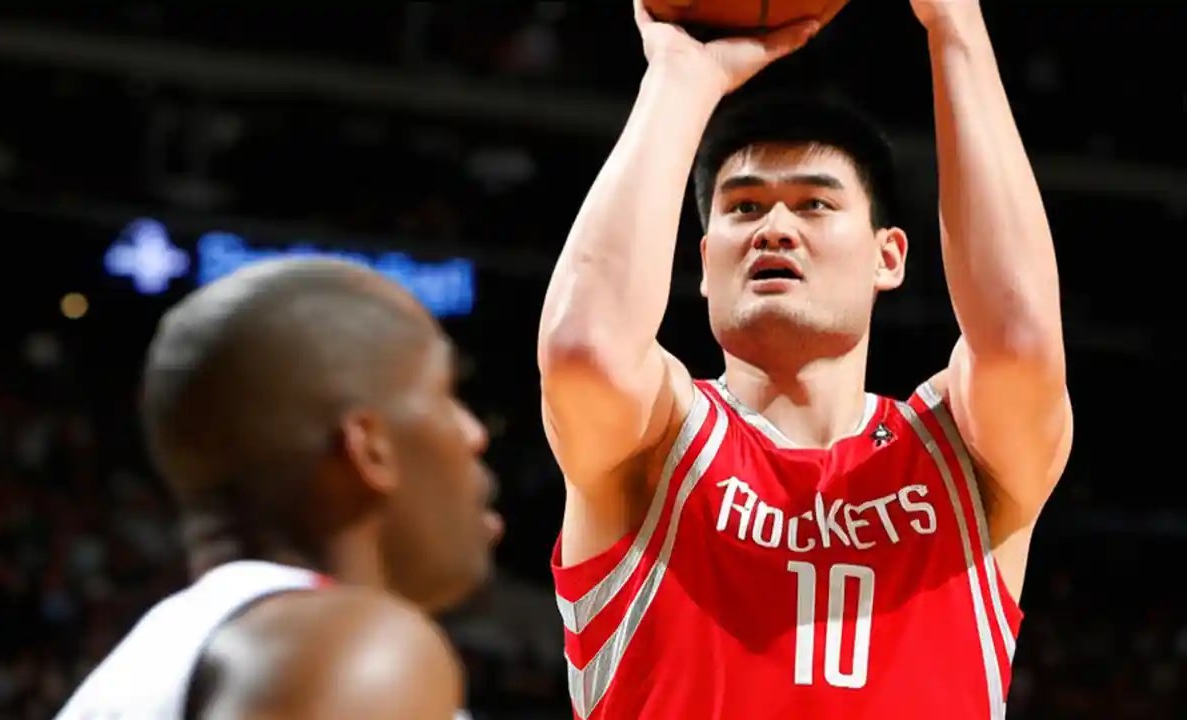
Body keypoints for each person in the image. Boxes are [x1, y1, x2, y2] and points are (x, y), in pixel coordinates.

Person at [538, 1, 1072, 717]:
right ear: (705, 262)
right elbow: (584, 350)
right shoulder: (655, 445)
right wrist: (678, 79)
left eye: (814, 204)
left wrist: (957, 28)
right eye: (743, 207)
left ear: (888, 256)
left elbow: (1021, 342)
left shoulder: (963, 455)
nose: (775, 228)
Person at [53, 258, 501, 720]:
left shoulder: (174, 647)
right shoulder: (353, 653)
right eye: (446, 394)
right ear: (370, 448)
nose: (475, 434)